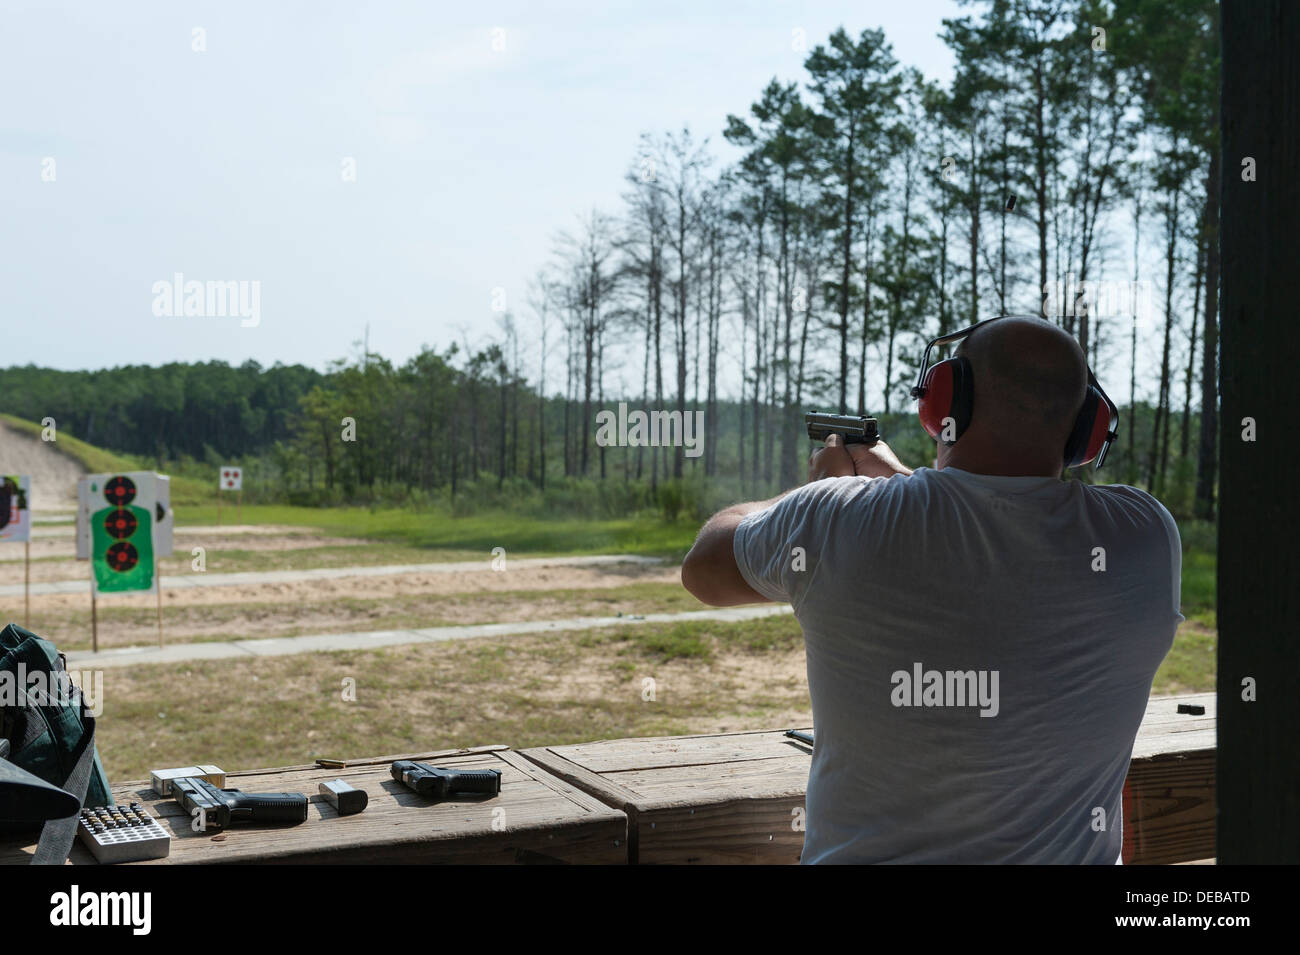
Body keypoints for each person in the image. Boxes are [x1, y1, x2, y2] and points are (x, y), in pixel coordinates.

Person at [681, 315, 1183, 864]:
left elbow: (704, 569)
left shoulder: (832, 518)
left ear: (943, 401)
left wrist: (823, 493)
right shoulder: (1145, 534)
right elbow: (997, 528)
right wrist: (894, 485)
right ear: (1086, 427)